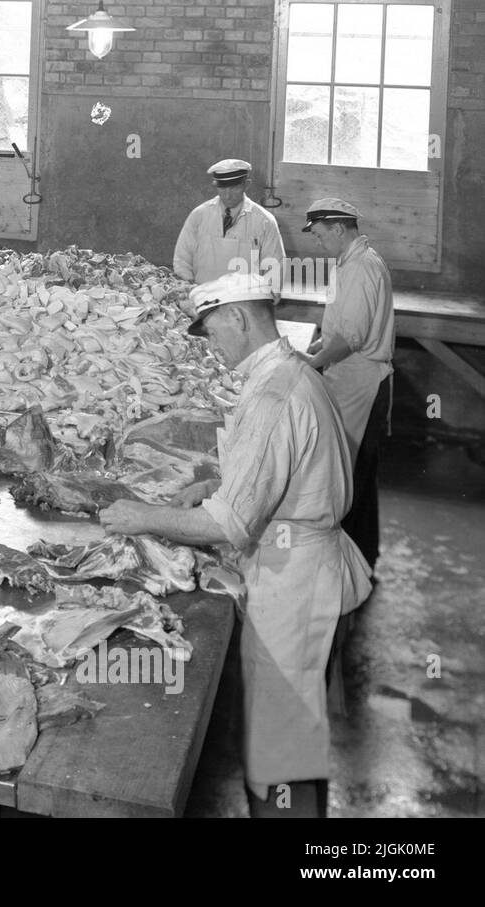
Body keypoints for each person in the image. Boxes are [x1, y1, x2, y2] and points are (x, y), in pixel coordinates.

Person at [100, 272, 371, 818]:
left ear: (238, 318)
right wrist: (220, 480)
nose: (210, 343)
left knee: (279, 755)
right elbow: (281, 466)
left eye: (211, 330)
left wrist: (140, 516)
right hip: (303, 564)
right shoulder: (289, 372)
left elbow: (229, 526)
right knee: (287, 734)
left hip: (293, 585)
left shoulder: (273, 392)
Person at [302, 198, 393, 569]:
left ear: (339, 229)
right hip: (351, 379)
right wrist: (310, 348)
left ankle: (354, 567)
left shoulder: (360, 269)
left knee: (350, 476)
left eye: (321, 235)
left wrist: (311, 364)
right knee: (357, 473)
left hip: (362, 383)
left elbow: (349, 339)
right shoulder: (351, 263)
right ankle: (364, 558)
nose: (318, 243)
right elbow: (336, 329)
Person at [173, 159, 285, 285]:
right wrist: (189, 288)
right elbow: (182, 259)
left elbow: (274, 267)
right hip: (202, 296)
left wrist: (264, 296)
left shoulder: (264, 221)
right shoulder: (199, 216)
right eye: (222, 189)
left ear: (246, 184)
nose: (228, 195)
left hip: (244, 300)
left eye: (234, 188)